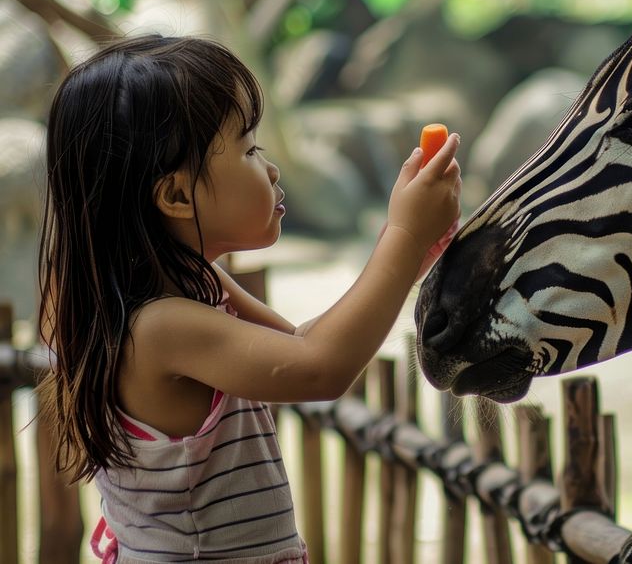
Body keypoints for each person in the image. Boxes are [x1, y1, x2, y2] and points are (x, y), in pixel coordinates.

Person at [36, 34, 462, 563]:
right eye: (250, 149)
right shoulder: (159, 328)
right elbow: (319, 369)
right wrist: (403, 234)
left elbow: (299, 344)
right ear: (174, 194)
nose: (272, 168)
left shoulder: (190, 283)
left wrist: (406, 258)